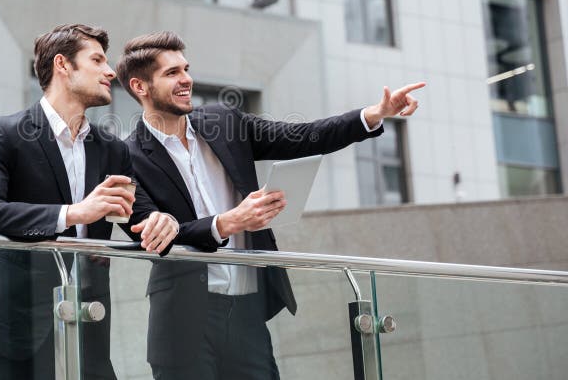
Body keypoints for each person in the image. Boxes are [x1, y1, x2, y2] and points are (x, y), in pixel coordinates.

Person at [115, 31, 424, 380]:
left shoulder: (224, 122)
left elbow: (303, 137)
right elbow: (154, 237)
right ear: (140, 87)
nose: (186, 78)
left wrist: (373, 113)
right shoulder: (125, 157)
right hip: (182, 323)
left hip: (248, 314)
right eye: (171, 73)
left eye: (185, 68)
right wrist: (228, 222)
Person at [0, 24, 179, 380]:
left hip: (87, 319)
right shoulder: (4, 133)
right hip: (12, 323)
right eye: (97, 60)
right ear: (63, 65)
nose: (110, 71)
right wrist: (74, 213)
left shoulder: (111, 149)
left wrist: (162, 221)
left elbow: (140, 213)